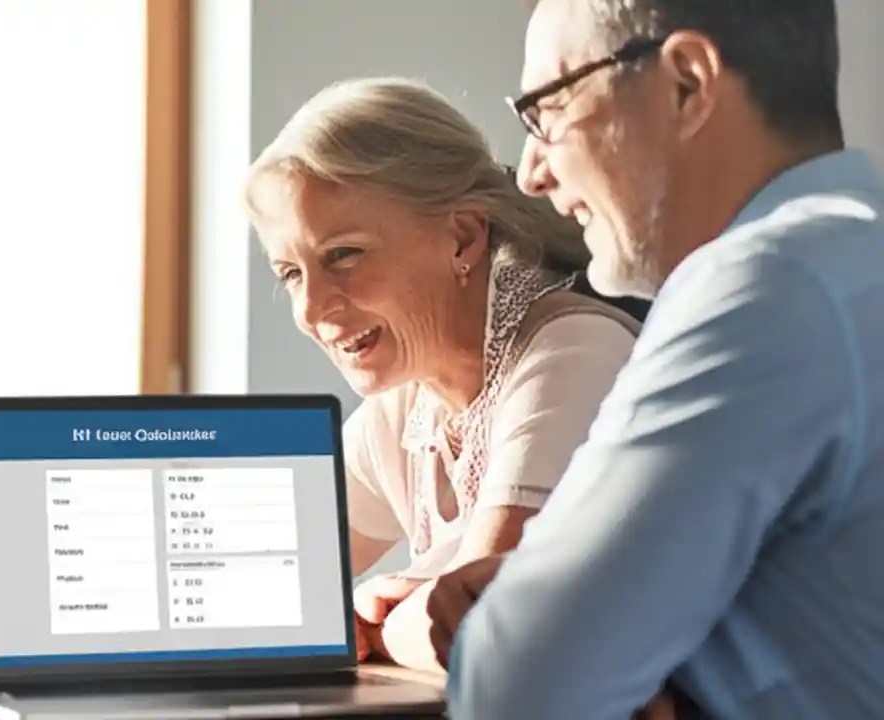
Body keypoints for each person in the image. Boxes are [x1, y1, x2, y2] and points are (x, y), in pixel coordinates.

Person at [428, 1, 884, 718]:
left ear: (686, 83)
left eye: (547, 108)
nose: (531, 174)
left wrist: (541, 629)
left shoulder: (763, 286)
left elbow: (517, 688)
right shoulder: (856, 259)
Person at [242, 77, 644, 672]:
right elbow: (260, 583)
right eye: (291, 273)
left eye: (343, 255)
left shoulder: (571, 352)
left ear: (462, 236)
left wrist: (383, 626)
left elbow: (488, 629)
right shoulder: (410, 400)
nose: (311, 310)